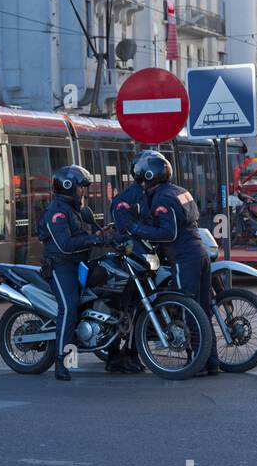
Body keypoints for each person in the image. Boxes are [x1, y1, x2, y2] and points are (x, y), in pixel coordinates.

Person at [114, 150, 220, 377]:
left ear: (150, 176)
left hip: (183, 255)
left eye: (142, 177)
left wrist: (137, 229)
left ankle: (197, 363)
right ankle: (212, 361)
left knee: (187, 308)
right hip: (198, 251)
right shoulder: (180, 191)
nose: (140, 182)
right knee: (202, 309)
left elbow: (168, 232)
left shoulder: (161, 198)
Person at [39, 164, 106, 382]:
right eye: (81, 187)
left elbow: (86, 235)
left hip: (79, 263)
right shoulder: (56, 212)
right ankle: (62, 361)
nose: (84, 192)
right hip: (61, 265)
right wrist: (95, 239)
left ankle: (115, 354)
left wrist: (108, 235)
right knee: (69, 306)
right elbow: (66, 245)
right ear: (68, 187)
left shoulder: (76, 210)